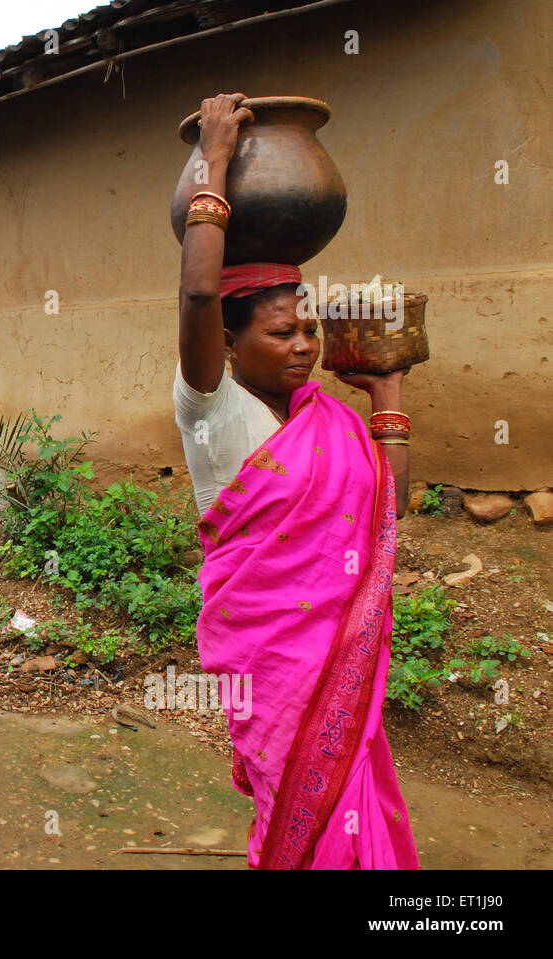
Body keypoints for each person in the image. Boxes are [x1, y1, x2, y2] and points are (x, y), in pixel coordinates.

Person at [174, 93, 418, 869]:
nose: (304, 345)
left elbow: (395, 501)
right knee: (298, 811)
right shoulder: (213, 407)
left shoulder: (330, 420)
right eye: (281, 332)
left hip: (340, 664)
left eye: (309, 328)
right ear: (230, 341)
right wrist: (214, 158)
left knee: (350, 804)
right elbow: (199, 293)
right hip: (273, 667)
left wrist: (386, 397)